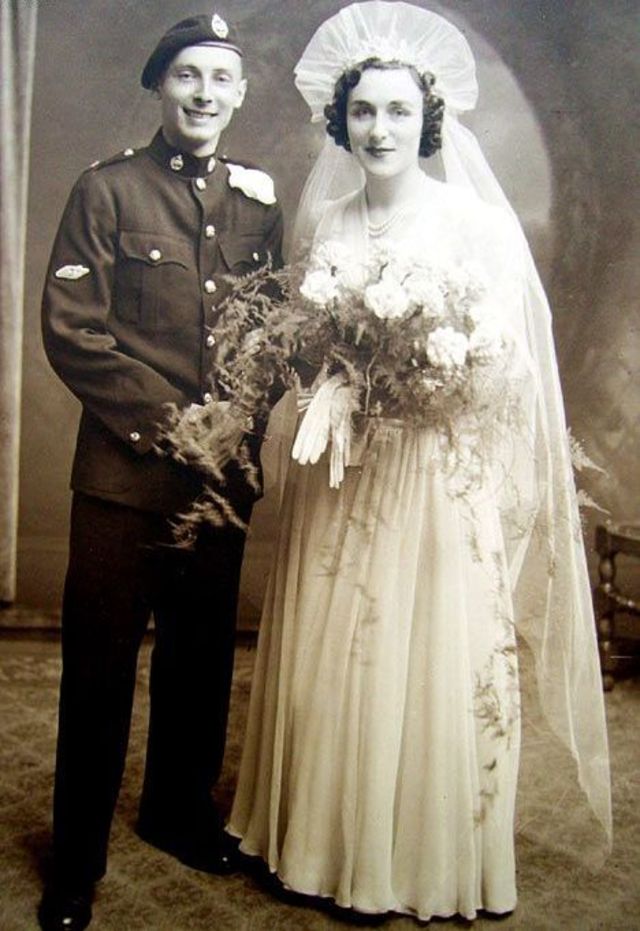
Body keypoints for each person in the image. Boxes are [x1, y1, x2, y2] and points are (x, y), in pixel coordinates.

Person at [227, 1, 611, 922]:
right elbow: (305, 346)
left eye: (398, 111)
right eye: (364, 111)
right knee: (340, 651)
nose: (379, 128)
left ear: (428, 119)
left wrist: (433, 375)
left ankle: (419, 857)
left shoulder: (474, 225)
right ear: (342, 120)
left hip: (432, 476)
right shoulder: (329, 223)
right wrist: (335, 382)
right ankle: (326, 846)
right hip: (346, 475)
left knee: (421, 651)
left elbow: (510, 366)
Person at [38, 13, 283, 931]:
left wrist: (240, 424)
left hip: (217, 484)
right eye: (187, 76)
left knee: (200, 662)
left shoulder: (258, 202)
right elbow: (74, 332)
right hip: (123, 480)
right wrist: (176, 423)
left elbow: (271, 330)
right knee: (99, 670)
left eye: (220, 79)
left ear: (240, 95)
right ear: (159, 86)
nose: (203, 94)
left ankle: (177, 812)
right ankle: (76, 860)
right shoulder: (106, 191)